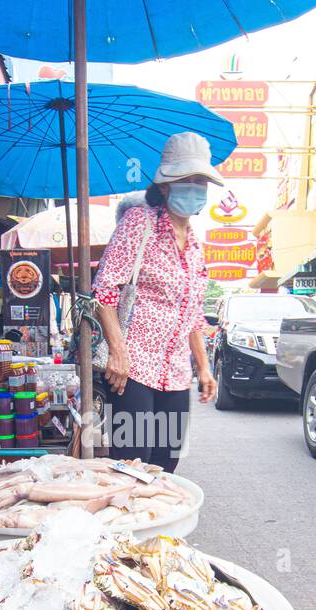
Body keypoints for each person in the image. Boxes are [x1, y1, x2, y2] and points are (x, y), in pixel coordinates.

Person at [91, 132, 219, 472]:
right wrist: (119, 353)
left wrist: (203, 368)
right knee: (131, 464)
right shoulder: (138, 223)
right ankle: (124, 528)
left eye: (201, 182)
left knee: (166, 464)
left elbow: (192, 315)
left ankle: (159, 527)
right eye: (187, 181)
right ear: (165, 186)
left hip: (176, 373)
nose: (195, 189)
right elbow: (104, 292)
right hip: (132, 369)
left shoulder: (194, 245)